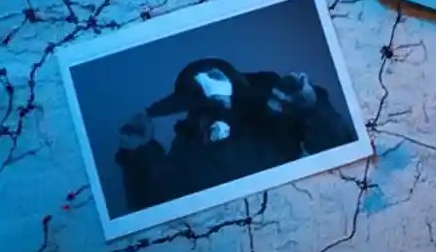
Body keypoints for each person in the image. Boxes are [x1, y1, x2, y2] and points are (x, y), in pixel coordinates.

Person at [114, 58, 355, 213]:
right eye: (199, 91)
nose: (209, 89)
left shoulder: (275, 122)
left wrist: (310, 107)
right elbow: (150, 209)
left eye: (216, 78)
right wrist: (137, 153)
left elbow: (343, 153)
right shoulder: (190, 151)